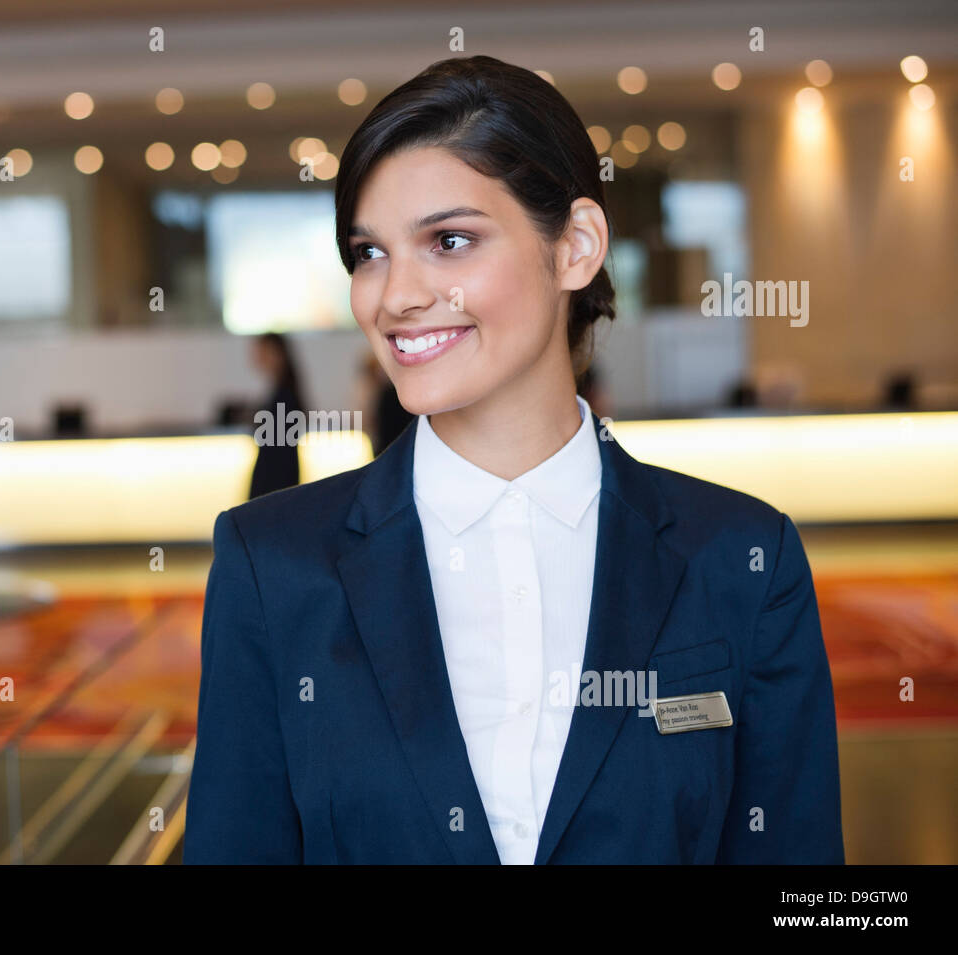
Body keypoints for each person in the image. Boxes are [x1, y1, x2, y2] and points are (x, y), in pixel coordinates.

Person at [186, 55, 843, 864]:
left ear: (575, 246)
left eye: (450, 241)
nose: (393, 297)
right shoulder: (273, 565)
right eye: (369, 253)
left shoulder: (741, 558)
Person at [246, 332, 306, 500]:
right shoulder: (281, 392)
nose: (258, 357)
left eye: (263, 351)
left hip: (275, 484)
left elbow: (279, 454)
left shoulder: (284, 396)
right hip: (277, 482)